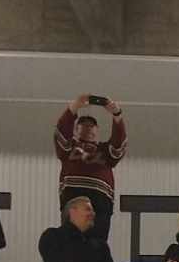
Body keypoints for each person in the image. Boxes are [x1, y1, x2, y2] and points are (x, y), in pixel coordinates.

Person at [54, 95, 126, 241]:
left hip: (101, 199)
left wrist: (117, 114)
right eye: (83, 125)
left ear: (98, 130)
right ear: (75, 130)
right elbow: (61, 132)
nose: (88, 128)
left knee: (97, 244)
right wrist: (74, 107)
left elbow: (118, 145)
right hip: (72, 194)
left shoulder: (105, 151)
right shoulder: (69, 148)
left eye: (92, 125)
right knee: (71, 241)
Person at [37, 195, 115, 262]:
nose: (93, 214)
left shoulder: (100, 244)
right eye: (88, 209)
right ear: (72, 211)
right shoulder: (52, 236)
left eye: (93, 211)